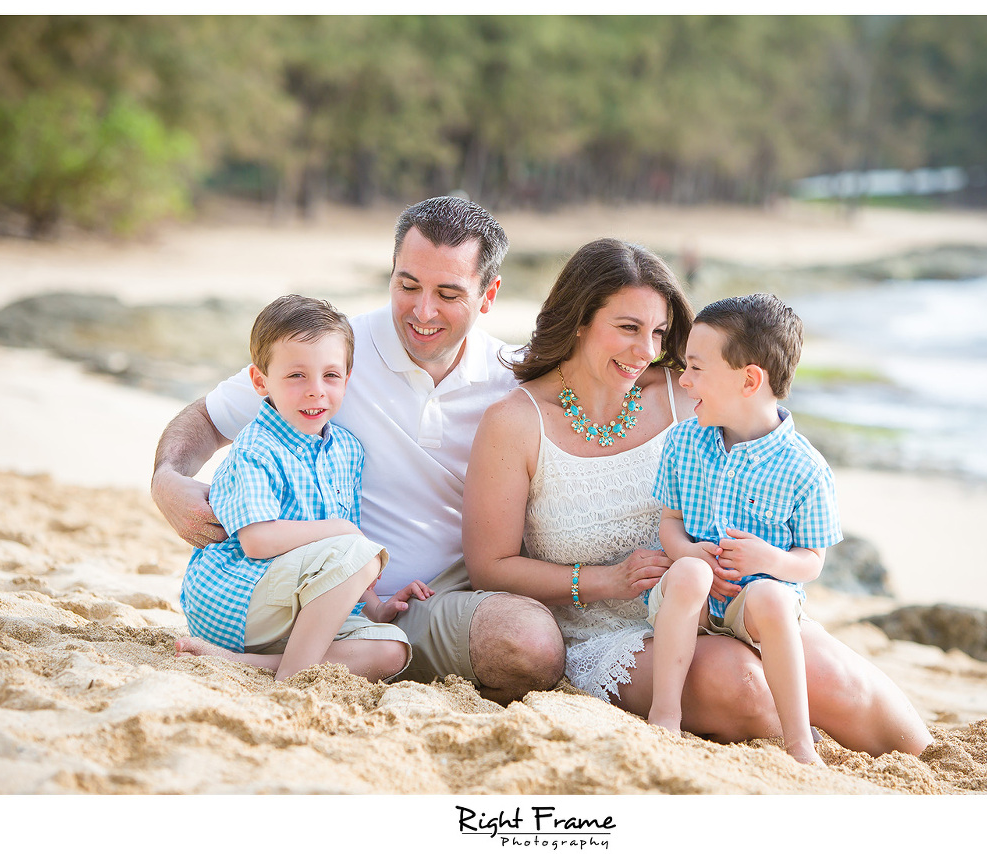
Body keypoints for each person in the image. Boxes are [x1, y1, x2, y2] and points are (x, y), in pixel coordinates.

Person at [463, 238, 933, 756]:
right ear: (578, 319)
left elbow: (767, 443)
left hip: (728, 600)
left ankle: (941, 779)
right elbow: (490, 566)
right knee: (744, 688)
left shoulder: (685, 392)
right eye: (627, 328)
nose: (646, 350)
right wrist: (604, 581)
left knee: (847, 688)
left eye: (659, 332)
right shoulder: (514, 421)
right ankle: (801, 744)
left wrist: (762, 559)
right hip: (608, 631)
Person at [152, 196, 566, 703]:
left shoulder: (516, 375)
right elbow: (207, 418)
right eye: (407, 285)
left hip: (431, 601)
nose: (423, 311)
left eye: (449, 293)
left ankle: (283, 664)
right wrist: (167, 480)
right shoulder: (330, 351)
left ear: (489, 295)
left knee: (533, 647)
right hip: (317, 599)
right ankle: (301, 662)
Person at [177, 295, 434, 682]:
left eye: (330, 376)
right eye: (297, 376)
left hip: (292, 609)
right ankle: (292, 677)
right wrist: (344, 532)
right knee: (360, 551)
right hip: (236, 599)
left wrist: (375, 607)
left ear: (347, 379)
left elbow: (340, 559)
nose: (316, 390)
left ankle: (252, 666)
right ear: (261, 381)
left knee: (392, 650)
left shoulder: (347, 450)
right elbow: (258, 541)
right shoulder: (257, 448)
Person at [645, 294, 839, 765]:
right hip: (687, 601)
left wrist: (771, 562)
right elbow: (669, 524)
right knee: (691, 573)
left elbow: (811, 561)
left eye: (695, 368)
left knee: (775, 596)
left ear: (750, 379)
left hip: (752, 610)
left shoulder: (805, 468)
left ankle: (799, 743)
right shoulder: (683, 441)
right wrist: (690, 553)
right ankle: (663, 714)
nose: (683, 381)